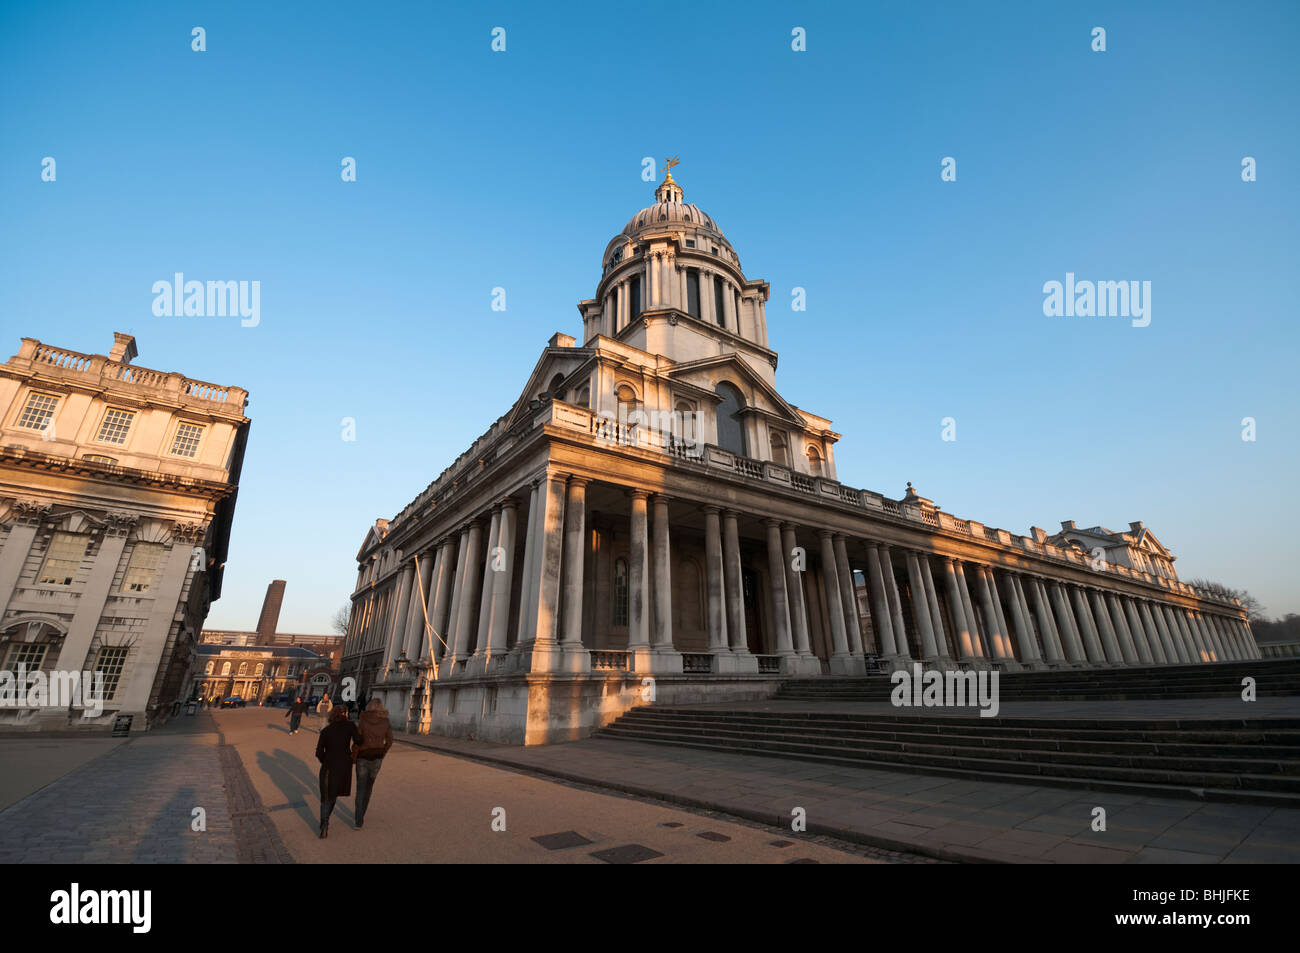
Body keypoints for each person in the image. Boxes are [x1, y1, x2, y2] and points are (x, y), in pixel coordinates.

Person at [315, 706, 362, 839]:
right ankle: (325, 821)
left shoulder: (326, 731)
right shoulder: (350, 726)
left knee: (325, 797)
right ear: (345, 714)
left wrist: (326, 760)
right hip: (343, 765)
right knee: (333, 795)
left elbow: (318, 752)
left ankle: (324, 826)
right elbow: (358, 740)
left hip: (328, 765)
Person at [353, 698, 393, 831]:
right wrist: (383, 752)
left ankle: (358, 820)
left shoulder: (363, 721)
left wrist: (355, 753)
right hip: (377, 756)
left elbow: (358, 740)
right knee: (369, 787)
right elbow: (390, 741)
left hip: (363, 756)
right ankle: (362, 813)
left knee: (360, 788)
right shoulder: (386, 721)